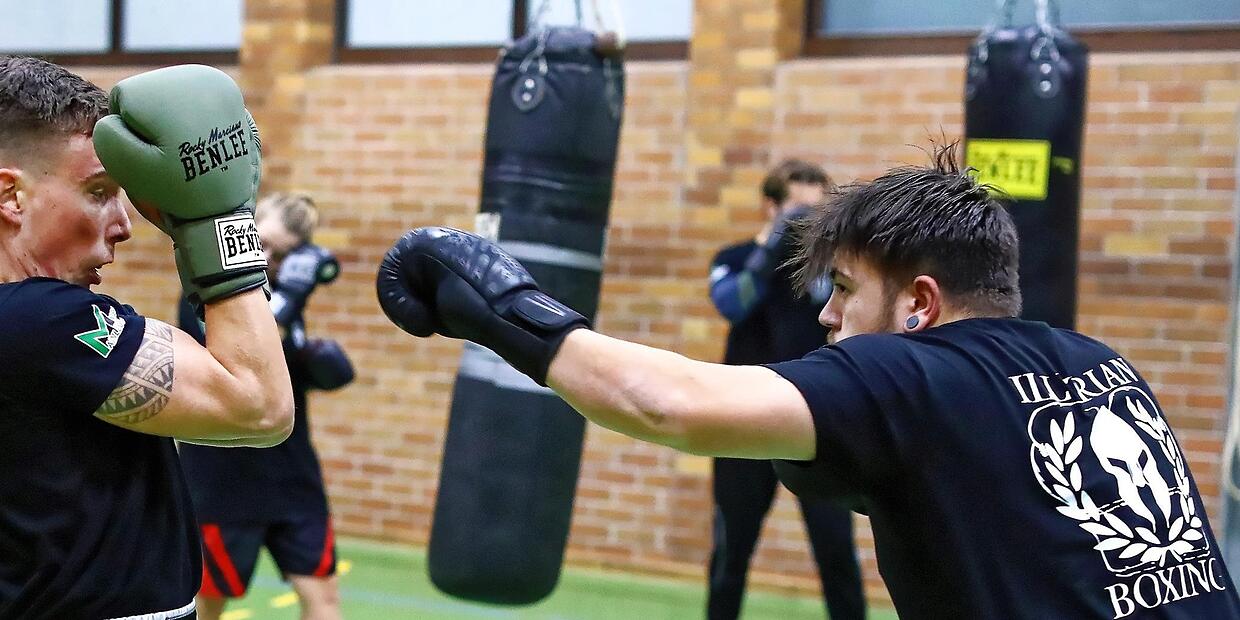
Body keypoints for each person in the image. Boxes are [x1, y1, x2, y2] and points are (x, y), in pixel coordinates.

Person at [377, 144, 1240, 619]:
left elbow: (667, 402)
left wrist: (497, 304)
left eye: (846, 291)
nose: (827, 316)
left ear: (919, 304)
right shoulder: (1099, 362)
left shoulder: (915, 372)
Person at [0, 57, 292, 619]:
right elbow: (258, 406)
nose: (125, 222)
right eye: (100, 190)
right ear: (12, 197)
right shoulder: (40, 321)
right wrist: (219, 221)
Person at [178, 193, 353, 620]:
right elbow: (249, 350)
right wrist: (292, 293)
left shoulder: (288, 304)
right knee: (208, 605)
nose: (270, 258)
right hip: (222, 479)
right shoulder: (208, 288)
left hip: (293, 476)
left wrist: (315, 359)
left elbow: (288, 373)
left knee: (323, 597)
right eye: (264, 243)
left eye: (284, 253)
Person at [706, 160, 863, 620]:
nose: (805, 223)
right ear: (771, 206)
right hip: (743, 420)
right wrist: (773, 243)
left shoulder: (830, 275)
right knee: (730, 552)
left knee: (836, 554)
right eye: (797, 211)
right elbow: (732, 304)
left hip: (815, 421)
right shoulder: (734, 259)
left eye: (816, 213)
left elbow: (841, 311)